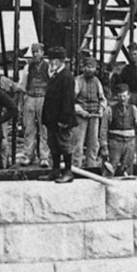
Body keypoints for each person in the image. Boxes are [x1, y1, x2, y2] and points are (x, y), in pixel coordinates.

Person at [41, 49, 77, 182]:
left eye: (51, 60)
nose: (50, 63)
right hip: (52, 119)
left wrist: (64, 120)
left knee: (65, 145)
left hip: (62, 119)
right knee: (53, 144)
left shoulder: (66, 76)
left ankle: (68, 172)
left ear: (57, 61)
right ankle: (55, 170)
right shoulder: (56, 75)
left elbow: (68, 100)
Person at [103, 83, 137, 176]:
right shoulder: (109, 110)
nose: (122, 99)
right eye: (120, 96)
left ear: (129, 96)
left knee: (128, 169)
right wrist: (104, 146)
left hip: (130, 143)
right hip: (115, 143)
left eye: (125, 96)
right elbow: (103, 130)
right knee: (110, 168)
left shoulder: (133, 109)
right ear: (116, 97)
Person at [73, 56, 107, 170]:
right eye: (87, 67)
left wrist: (101, 109)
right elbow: (71, 100)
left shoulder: (97, 81)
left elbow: (102, 98)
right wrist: (80, 111)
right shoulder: (78, 81)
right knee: (78, 143)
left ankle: (91, 166)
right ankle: (76, 166)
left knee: (93, 143)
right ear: (83, 67)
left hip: (94, 116)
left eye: (92, 67)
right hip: (80, 117)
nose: (90, 70)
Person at [21, 44, 50, 165]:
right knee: (29, 128)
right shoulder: (28, 67)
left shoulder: (48, 66)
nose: (35, 54)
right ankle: (28, 155)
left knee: (44, 129)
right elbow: (23, 83)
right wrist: (23, 100)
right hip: (31, 97)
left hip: (43, 98)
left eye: (37, 52)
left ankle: (44, 157)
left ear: (42, 52)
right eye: (33, 52)